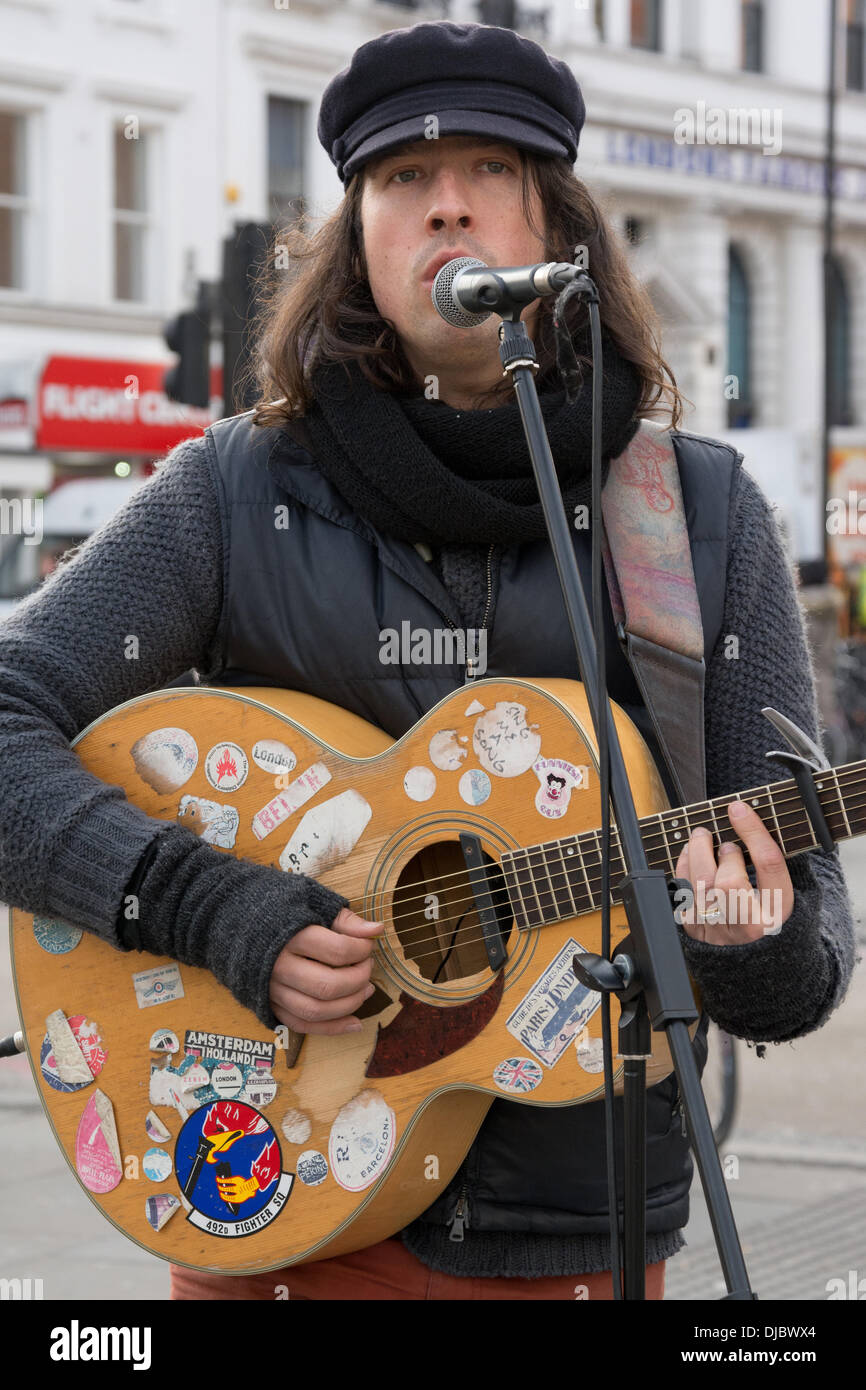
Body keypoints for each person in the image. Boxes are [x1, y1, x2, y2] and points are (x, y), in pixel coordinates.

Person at [0, 21, 854, 1302]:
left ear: (555, 224)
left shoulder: (696, 518)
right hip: (277, 1228)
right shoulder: (232, 493)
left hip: (578, 1252)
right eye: (401, 178)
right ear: (357, 236)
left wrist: (743, 936)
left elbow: (800, 972)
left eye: (489, 168)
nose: (444, 201)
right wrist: (211, 909)